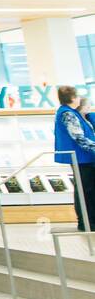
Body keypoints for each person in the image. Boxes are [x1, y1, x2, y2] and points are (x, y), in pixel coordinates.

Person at [55, 85, 95, 230]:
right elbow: (79, 138)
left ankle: (89, 221)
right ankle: (86, 222)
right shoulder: (68, 114)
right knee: (85, 190)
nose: (79, 99)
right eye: (77, 96)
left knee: (88, 189)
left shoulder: (72, 113)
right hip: (81, 158)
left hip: (85, 158)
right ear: (72, 98)